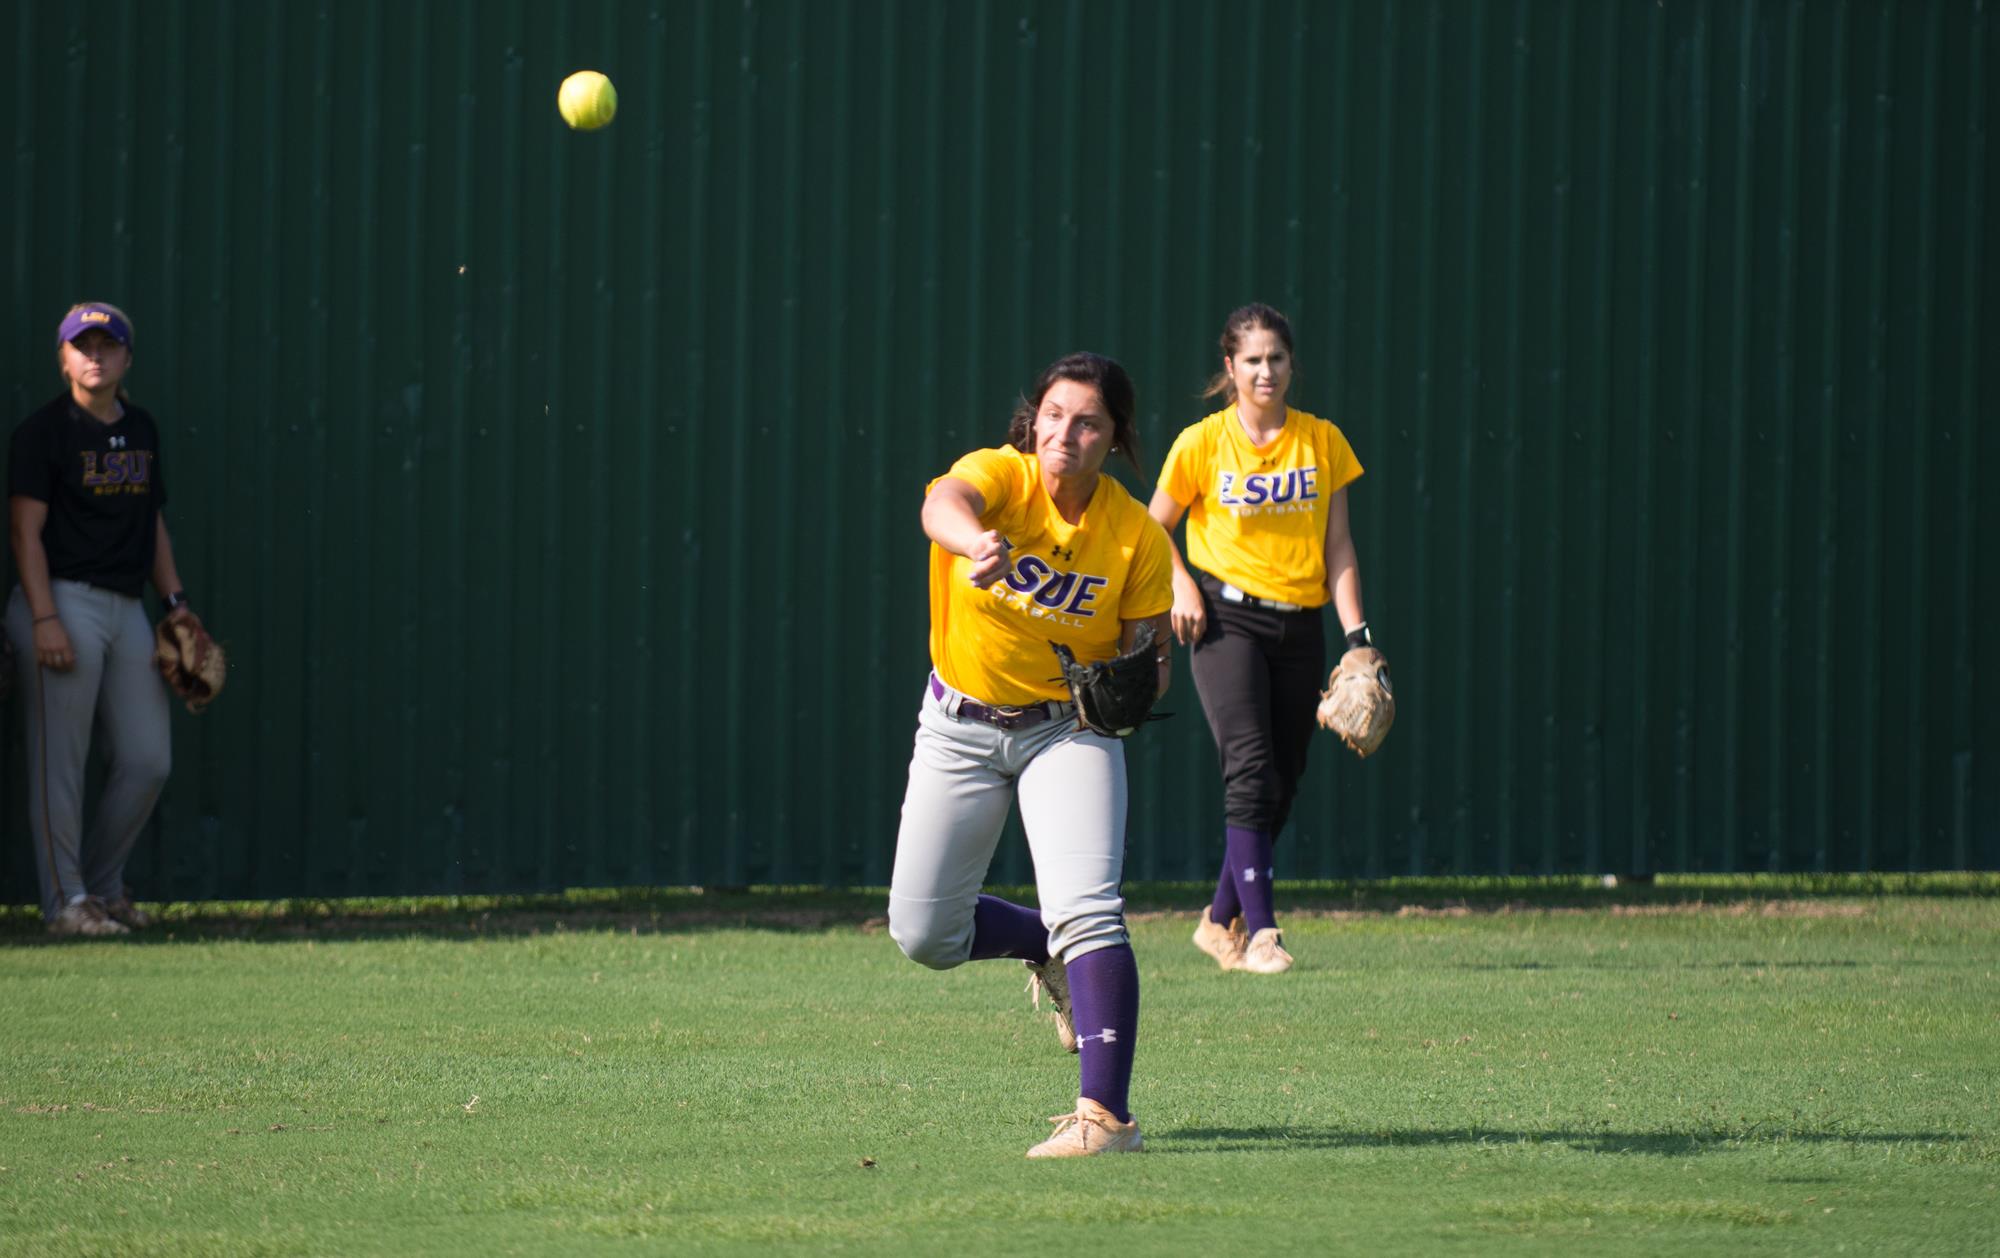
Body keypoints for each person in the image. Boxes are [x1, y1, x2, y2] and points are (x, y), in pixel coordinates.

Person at [888, 351, 1173, 1158]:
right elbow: (941, 503)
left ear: (1115, 437)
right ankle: (1042, 947)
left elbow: (1149, 658)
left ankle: (1105, 1118)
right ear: (1033, 419)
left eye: (1088, 421)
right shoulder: (1001, 481)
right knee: (924, 932)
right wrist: (974, 540)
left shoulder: (1133, 534)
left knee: (1092, 907)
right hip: (958, 723)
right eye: (1054, 414)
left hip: (1064, 729)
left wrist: (1138, 678)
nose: (1066, 433)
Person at [1147, 303, 1372, 975]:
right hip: (1224, 618)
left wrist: (1357, 636)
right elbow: (1150, 528)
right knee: (1248, 767)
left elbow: (1338, 546)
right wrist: (1181, 589)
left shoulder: (1322, 441)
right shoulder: (1202, 442)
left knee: (1282, 781)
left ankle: (1219, 920)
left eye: (1276, 357)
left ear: (1291, 364)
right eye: (1251, 359)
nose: (1265, 370)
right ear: (1229, 367)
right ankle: (1262, 933)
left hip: (1299, 621)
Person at [7, 302, 203, 937]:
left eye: (107, 344)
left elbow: (154, 526)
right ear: (62, 357)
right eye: (81, 344)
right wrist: (43, 618)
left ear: (127, 358)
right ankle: (67, 901)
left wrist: (175, 606)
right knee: (60, 760)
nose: (95, 355)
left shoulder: (141, 428)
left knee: (149, 758)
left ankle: (101, 887)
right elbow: (24, 532)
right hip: (61, 599)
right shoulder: (44, 432)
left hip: (127, 607)